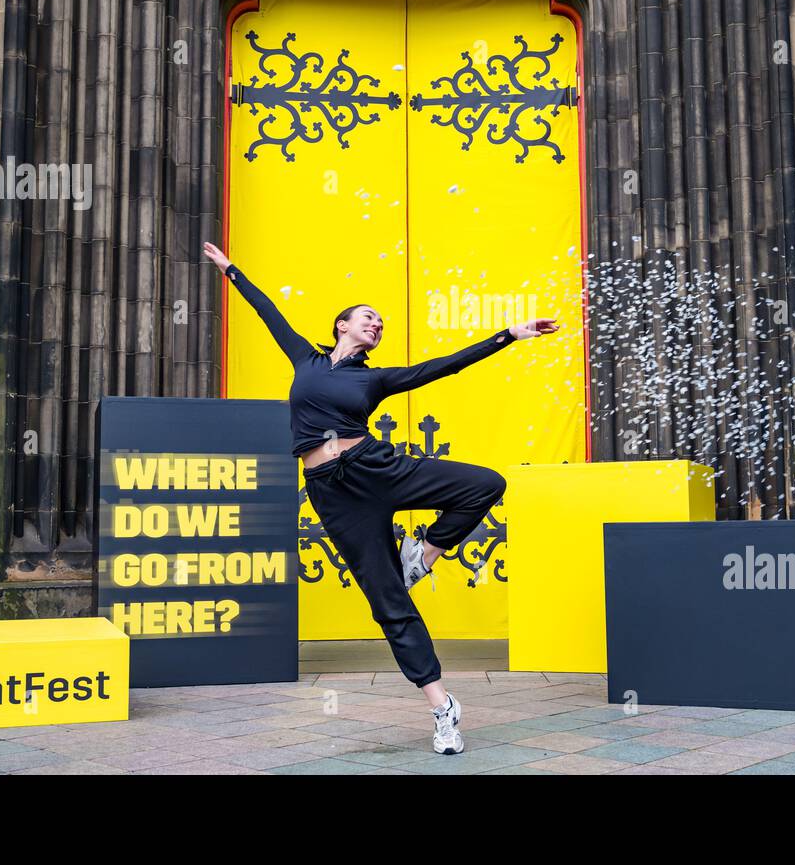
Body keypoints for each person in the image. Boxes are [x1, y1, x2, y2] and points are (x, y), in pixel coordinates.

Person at [202, 242, 559, 754]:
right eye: (368, 317)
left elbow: (446, 366)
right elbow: (268, 312)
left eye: (381, 323)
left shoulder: (374, 377)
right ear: (341, 325)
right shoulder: (305, 359)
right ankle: (443, 708)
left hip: (376, 468)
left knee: (485, 484)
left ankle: (425, 554)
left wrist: (509, 335)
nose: (376, 324)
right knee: (388, 601)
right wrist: (231, 271)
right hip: (333, 493)